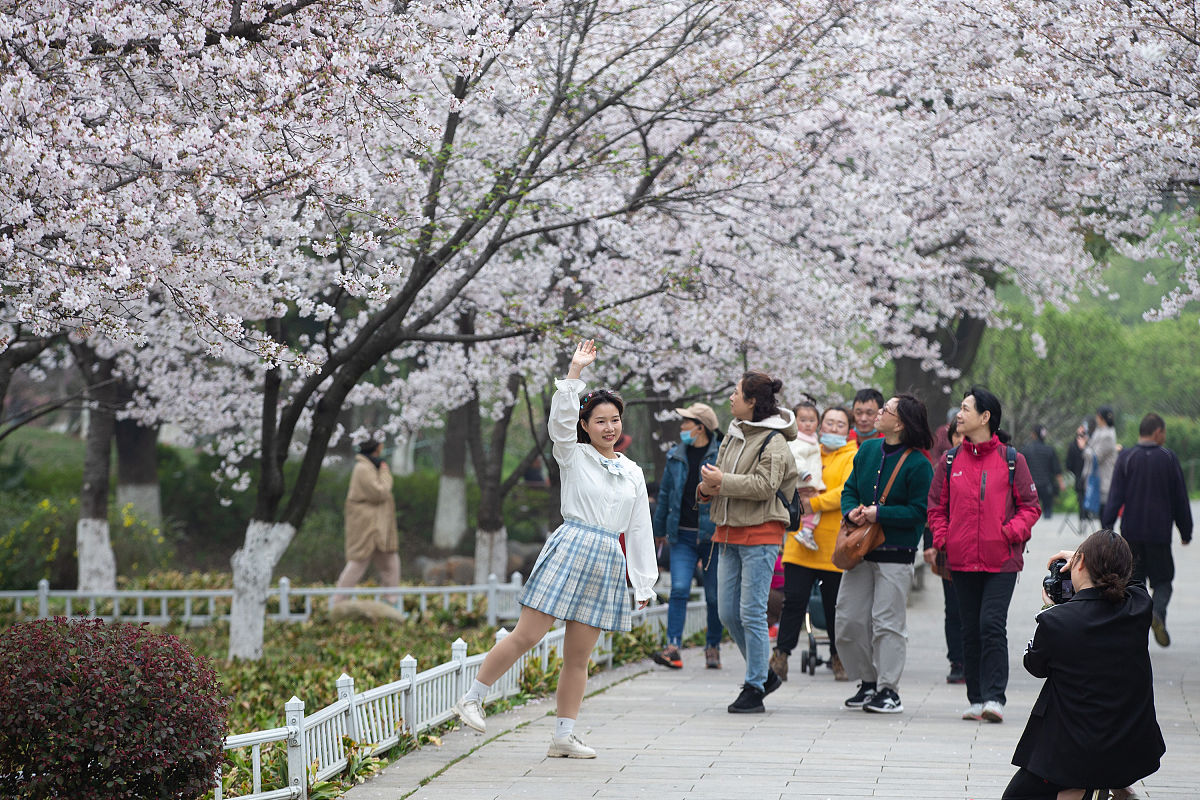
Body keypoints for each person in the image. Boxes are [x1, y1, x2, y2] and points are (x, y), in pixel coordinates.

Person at [452, 340, 656, 758]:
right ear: (586, 425)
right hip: (571, 545)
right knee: (528, 634)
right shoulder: (572, 454)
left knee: (578, 656)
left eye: (615, 420)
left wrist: (642, 582)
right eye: (600, 421)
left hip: (607, 557)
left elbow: (639, 529)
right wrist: (574, 374)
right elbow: (560, 423)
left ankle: (564, 735)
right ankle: (472, 698)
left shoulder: (633, 471)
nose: (609, 428)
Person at [1003, 532, 1165, 799]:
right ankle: (1114, 788)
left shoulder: (1057, 621)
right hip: (1131, 748)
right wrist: (1084, 558)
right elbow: (1135, 581)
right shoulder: (1138, 606)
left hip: (1073, 752)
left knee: (1018, 796)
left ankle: (1087, 792)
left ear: (1079, 566)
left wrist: (1048, 610)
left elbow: (1034, 665)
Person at [928, 386, 1041, 723]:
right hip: (961, 560)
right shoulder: (949, 461)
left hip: (1001, 561)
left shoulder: (1012, 460)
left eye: (966, 409)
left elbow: (1030, 506)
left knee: (991, 624)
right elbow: (936, 507)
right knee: (970, 629)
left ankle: (994, 698)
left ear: (985, 417)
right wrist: (943, 538)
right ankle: (976, 699)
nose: (958, 415)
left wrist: (1010, 533)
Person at [697, 370, 799, 713]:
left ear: (752, 401)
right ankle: (764, 674)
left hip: (762, 533)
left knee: (752, 612)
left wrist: (722, 481)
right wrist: (706, 488)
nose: (731, 398)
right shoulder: (734, 432)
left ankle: (755, 685)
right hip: (728, 532)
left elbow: (764, 486)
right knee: (728, 612)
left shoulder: (775, 440)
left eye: (737, 393)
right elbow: (721, 478)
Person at [835, 394, 934, 714]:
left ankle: (889, 690)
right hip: (861, 551)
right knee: (848, 618)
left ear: (900, 423)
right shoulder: (867, 450)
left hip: (896, 553)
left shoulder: (919, 464)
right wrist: (851, 511)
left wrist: (881, 514)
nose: (879, 413)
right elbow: (849, 489)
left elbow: (920, 512)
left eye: (886, 410)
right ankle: (868, 681)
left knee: (887, 623)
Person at [772, 406, 857, 683]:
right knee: (793, 601)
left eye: (840, 424)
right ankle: (781, 656)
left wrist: (814, 503)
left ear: (848, 430)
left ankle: (838, 656)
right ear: (821, 426)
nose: (833, 428)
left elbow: (845, 491)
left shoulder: (852, 456)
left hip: (833, 545)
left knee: (834, 606)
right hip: (800, 543)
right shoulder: (807, 448)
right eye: (829, 423)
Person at [1100, 413, 1193, 647]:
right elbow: (1180, 498)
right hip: (1159, 535)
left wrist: (1107, 525)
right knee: (1163, 581)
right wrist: (1186, 531)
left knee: (1134, 582)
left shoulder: (1127, 457)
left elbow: (1115, 495)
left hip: (1131, 534)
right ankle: (1157, 612)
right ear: (1158, 432)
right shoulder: (1168, 458)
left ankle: (1136, 630)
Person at [651, 402, 724, 670]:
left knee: (713, 596)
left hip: (713, 537)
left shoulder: (722, 455)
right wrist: (659, 532)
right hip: (682, 536)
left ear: (700, 427)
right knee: (679, 589)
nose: (681, 427)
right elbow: (665, 496)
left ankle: (713, 646)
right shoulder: (675, 456)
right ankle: (673, 647)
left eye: (686, 423)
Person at [923, 418, 965, 684]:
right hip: (949, 547)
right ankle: (957, 660)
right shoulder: (944, 466)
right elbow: (933, 508)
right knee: (953, 607)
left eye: (964, 435)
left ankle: (975, 658)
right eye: (956, 436)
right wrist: (930, 543)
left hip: (983, 550)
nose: (960, 440)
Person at [335, 440, 400, 605]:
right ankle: (338, 603)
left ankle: (392, 601)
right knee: (358, 562)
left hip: (380, 527)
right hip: (368, 527)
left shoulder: (370, 466)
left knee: (390, 562)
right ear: (377, 447)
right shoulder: (363, 468)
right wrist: (385, 472)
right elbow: (380, 493)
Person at [789, 399, 825, 550]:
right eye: (803, 420)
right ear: (795, 422)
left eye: (812, 420)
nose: (808, 424)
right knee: (813, 506)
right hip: (804, 480)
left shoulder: (810, 439)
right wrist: (803, 472)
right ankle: (806, 531)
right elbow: (794, 457)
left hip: (806, 481)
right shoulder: (798, 440)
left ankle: (806, 531)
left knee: (808, 506)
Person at [1020, 425, 1062, 518]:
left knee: (1030, 514)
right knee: (1048, 513)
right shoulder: (1049, 450)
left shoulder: (1026, 450)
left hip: (1031, 486)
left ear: (1033, 434)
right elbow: (1056, 469)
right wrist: (1061, 483)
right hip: (1047, 485)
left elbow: (1020, 470)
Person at [1089, 405, 1119, 507]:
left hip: (1104, 480)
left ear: (1100, 417)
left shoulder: (1107, 435)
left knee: (1103, 509)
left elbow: (1097, 456)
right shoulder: (1100, 431)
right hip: (1099, 478)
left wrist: (1084, 448)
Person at [1064, 420, 1090, 520]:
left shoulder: (1090, 445)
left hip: (1089, 476)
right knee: (1081, 496)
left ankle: (1087, 514)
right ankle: (1083, 515)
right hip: (1079, 475)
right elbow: (1069, 464)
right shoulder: (1073, 446)